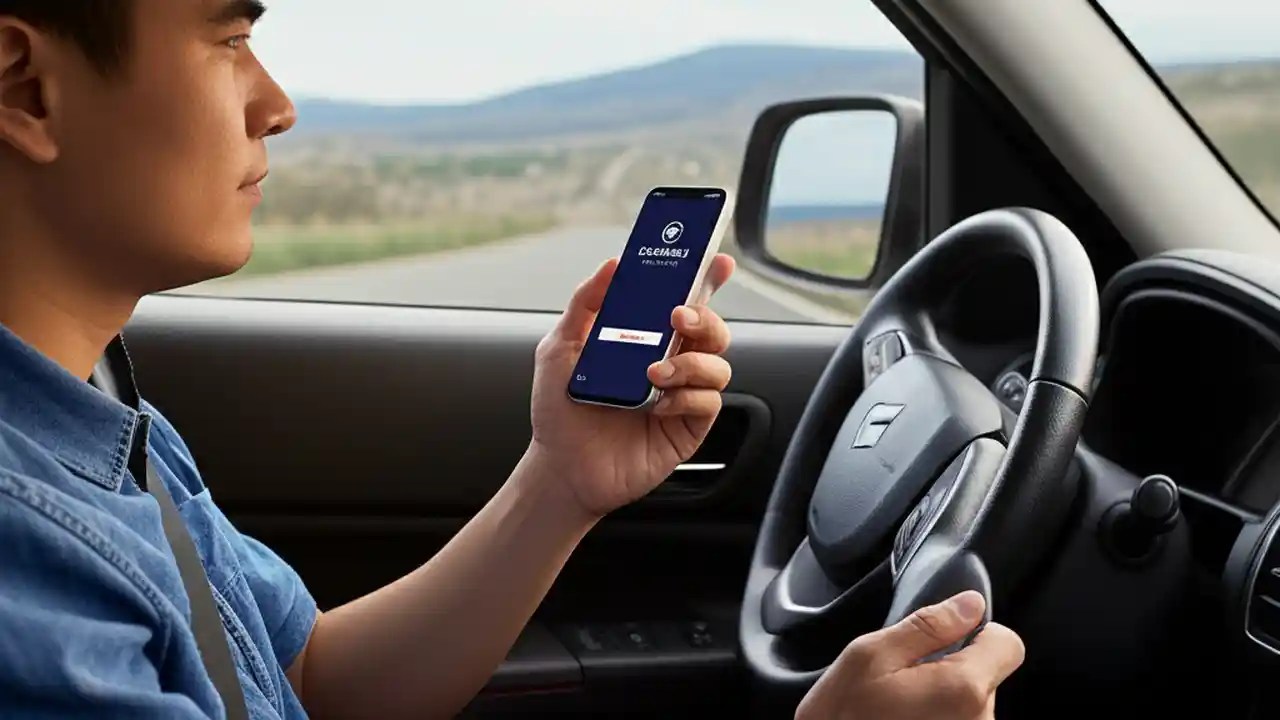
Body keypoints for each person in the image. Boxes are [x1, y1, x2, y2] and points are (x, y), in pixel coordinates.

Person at [0, 1, 1026, 718]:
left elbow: (307, 680)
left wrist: (561, 484)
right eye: (228, 39)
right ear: (26, 88)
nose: (276, 104)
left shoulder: (94, 405)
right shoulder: (23, 562)